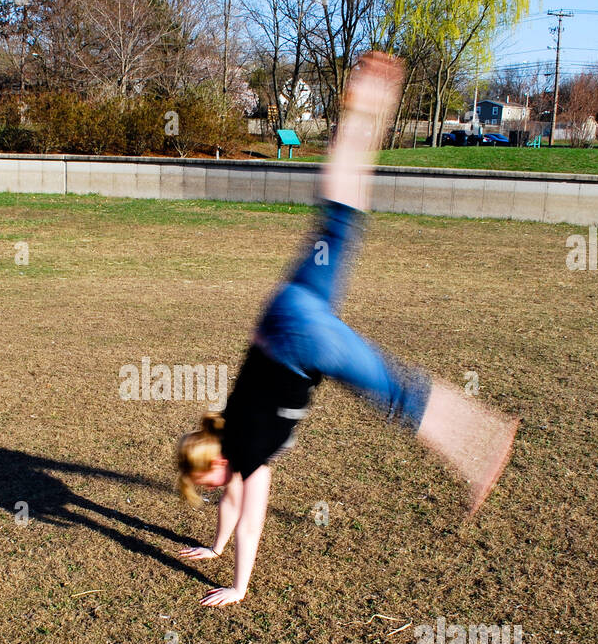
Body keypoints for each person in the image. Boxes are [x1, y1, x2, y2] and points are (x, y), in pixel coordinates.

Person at [175, 52, 518, 607]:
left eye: (205, 484)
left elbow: (247, 517)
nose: (211, 491)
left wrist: (238, 584)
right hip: (284, 313)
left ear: (215, 464)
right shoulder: (228, 435)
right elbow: (231, 507)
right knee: (336, 218)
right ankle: (368, 101)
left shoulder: (243, 453)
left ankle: (479, 447)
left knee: (392, 389)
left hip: (299, 341)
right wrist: (213, 549)